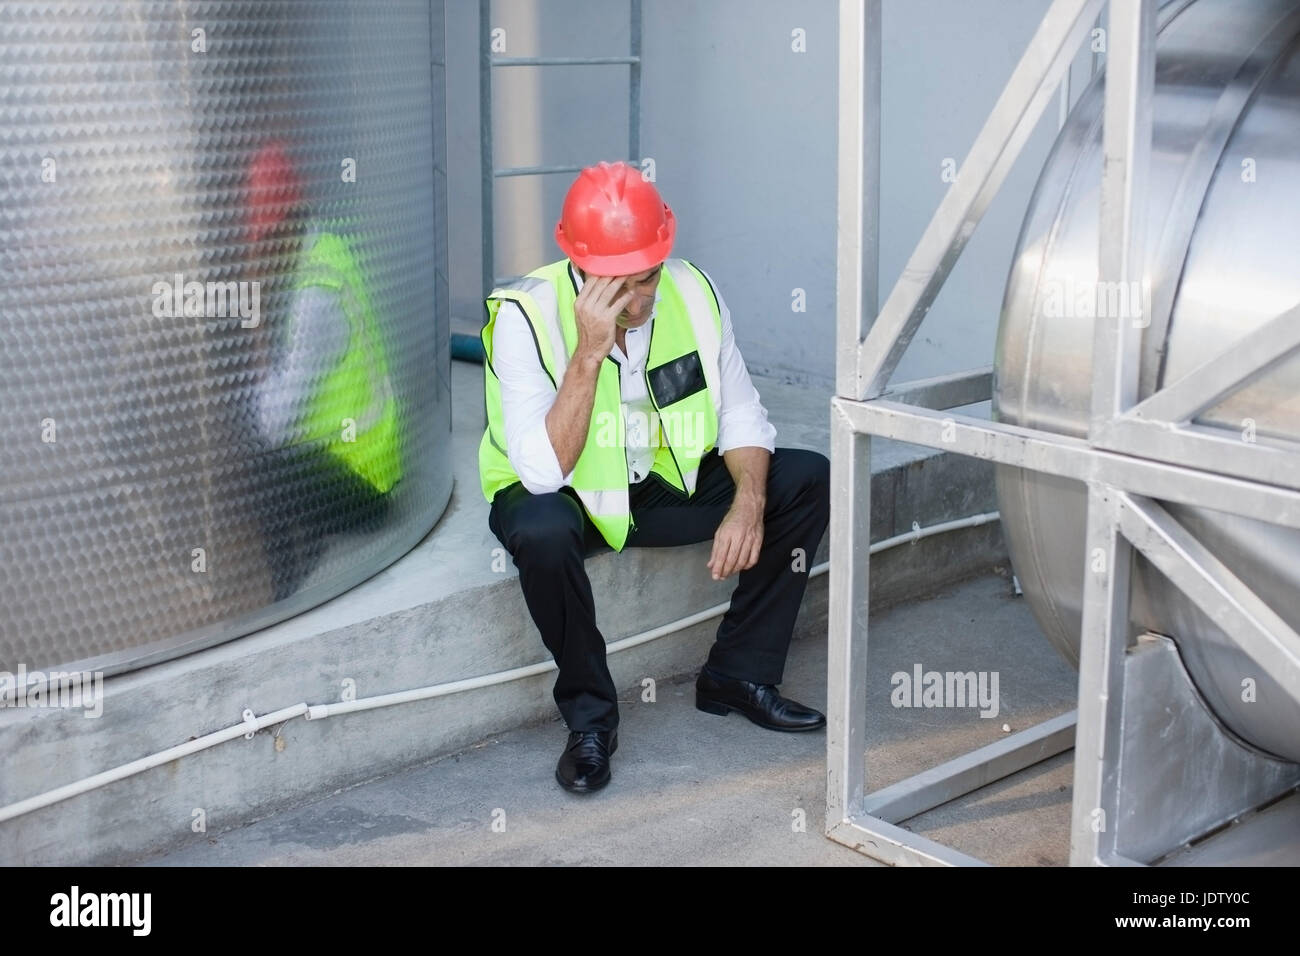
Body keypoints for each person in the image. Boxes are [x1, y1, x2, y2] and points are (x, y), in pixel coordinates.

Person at [479, 161, 830, 794]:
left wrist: (747, 503)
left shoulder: (693, 292)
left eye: (648, 279)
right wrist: (589, 350)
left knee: (803, 478)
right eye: (620, 288)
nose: (640, 302)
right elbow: (541, 471)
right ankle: (590, 721)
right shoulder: (525, 316)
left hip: (656, 485)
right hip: (570, 495)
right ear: (582, 270)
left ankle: (738, 676)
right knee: (540, 530)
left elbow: (741, 411)